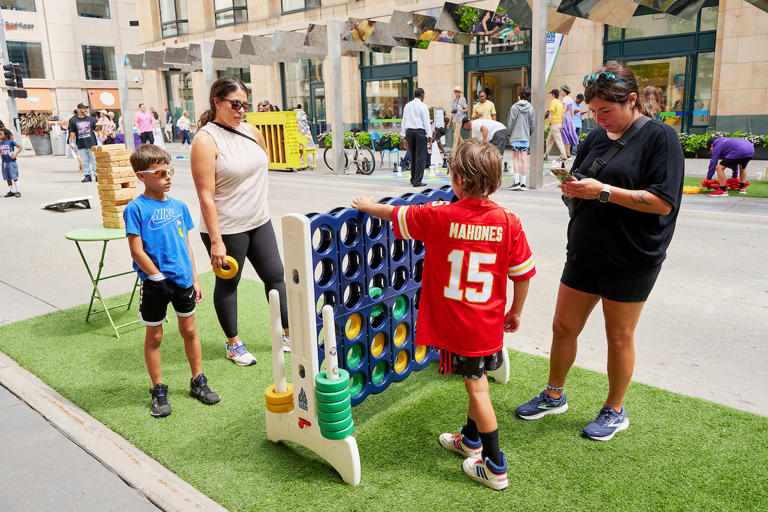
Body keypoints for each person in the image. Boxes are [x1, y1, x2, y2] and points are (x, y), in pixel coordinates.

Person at [351, 139, 535, 490]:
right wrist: (516, 311)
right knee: (476, 378)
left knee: (477, 387)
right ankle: (470, 440)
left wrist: (366, 204)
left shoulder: (440, 215)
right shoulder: (509, 221)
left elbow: (395, 214)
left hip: (458, 326)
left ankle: (495, 466)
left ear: (458, 179)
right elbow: (523, 273)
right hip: (490, 323)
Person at [516, 64, 684, 442]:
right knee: (562, 326)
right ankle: (554, 394)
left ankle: (615, 409)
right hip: (586, 248)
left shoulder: (661, 139)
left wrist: (602, 191)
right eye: (593, 111)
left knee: (619, 336)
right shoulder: (596, 137)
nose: (598, 118)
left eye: (605, 111)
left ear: (632, 101)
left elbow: (663, 203)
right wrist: (574, 189)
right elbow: (584, 180)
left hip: (633, 255)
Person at [191, 76, 290, 366]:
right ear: (217, 102)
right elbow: (205, 197)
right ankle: (234, 344)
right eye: (235, 104)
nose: (241, 110)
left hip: (259, 220)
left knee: (276, 276)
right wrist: (217, 242)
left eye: (244, 104)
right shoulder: (205, 140)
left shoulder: (250, 131)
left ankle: (288, 335)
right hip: (227, 228)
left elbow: (261, 163)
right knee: (229, 284)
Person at [123, 144, 221, 418]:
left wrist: (194, 278)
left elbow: (185, 245)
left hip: (182, 281)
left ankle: (197, 380)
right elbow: (136, 250)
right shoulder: (136, 209)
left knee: (189, 330)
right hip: (155, 284)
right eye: (161, 172)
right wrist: (155, 275)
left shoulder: (179, 207)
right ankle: (158, 388)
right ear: (142, 176)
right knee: (155, 336)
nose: (168, 177)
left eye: (170, 171)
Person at [400, 87, 432, 187]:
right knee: (421, 157)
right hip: (419, 132)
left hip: (409, 132)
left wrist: (404, 135)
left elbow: (404, 121)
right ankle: (417, 181)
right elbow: (426, 122)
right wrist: (429, 136)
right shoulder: (423, 106)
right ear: (422, 95)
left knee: (413, 156)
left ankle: (413, 178)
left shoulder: (407, 105)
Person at [506, 86, 535, 191]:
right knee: (524, 158)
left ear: (519, 96)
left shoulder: (514, 107)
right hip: (525, 136)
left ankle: (516, 182)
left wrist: (509, 133)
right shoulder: (531, 108)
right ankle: (523, 184)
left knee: (515, 158)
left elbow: (511, 122)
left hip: (515, 135)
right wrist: (528, 133)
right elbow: (532, 123)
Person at [68, 102, 98, 182]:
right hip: (81, 143)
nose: (85, 110)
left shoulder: (91, 119)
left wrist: (101, 125)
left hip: (92, 143)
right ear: (78, 109)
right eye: (83, 108)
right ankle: (87, 175)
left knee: (94, 160)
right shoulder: (73, 120)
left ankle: (97, 175)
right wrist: (72, 142)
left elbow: (96, 129)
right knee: (84, 161)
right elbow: (72, 132)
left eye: (86, 108)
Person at [544, 89, 567, 166]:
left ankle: (564, 156)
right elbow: (563, 114)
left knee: (558, 140)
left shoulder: (553, 102)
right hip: (559, 123)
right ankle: (545, 155)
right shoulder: (560, 103)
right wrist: (562, 124)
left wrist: (546, 125)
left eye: (551, 94)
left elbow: (551, 113)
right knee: (549, 140)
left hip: (554, 124)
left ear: (553, 95)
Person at [1, 128, 22, 198]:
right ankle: (11, 191)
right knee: (7, 177)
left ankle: (18, 191)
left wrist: (15, 154)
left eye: (1, 134)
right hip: (4, 163)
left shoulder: (10, 142)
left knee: (14, 177)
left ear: (6, 136)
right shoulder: (0, 143)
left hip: (11, 162)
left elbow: (20, 147)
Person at [560, 86, 578, 158]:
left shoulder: (564, 99)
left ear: (564, 91)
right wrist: (571, 119)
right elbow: (572, 111)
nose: (560, 92)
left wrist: (561, 121)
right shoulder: (570, 98)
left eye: (561, 90)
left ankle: (567, 154)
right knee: (569, 134)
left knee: (565, 135)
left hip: (565, 117)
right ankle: (567, 153)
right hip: (569, 118)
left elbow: (563, 111)